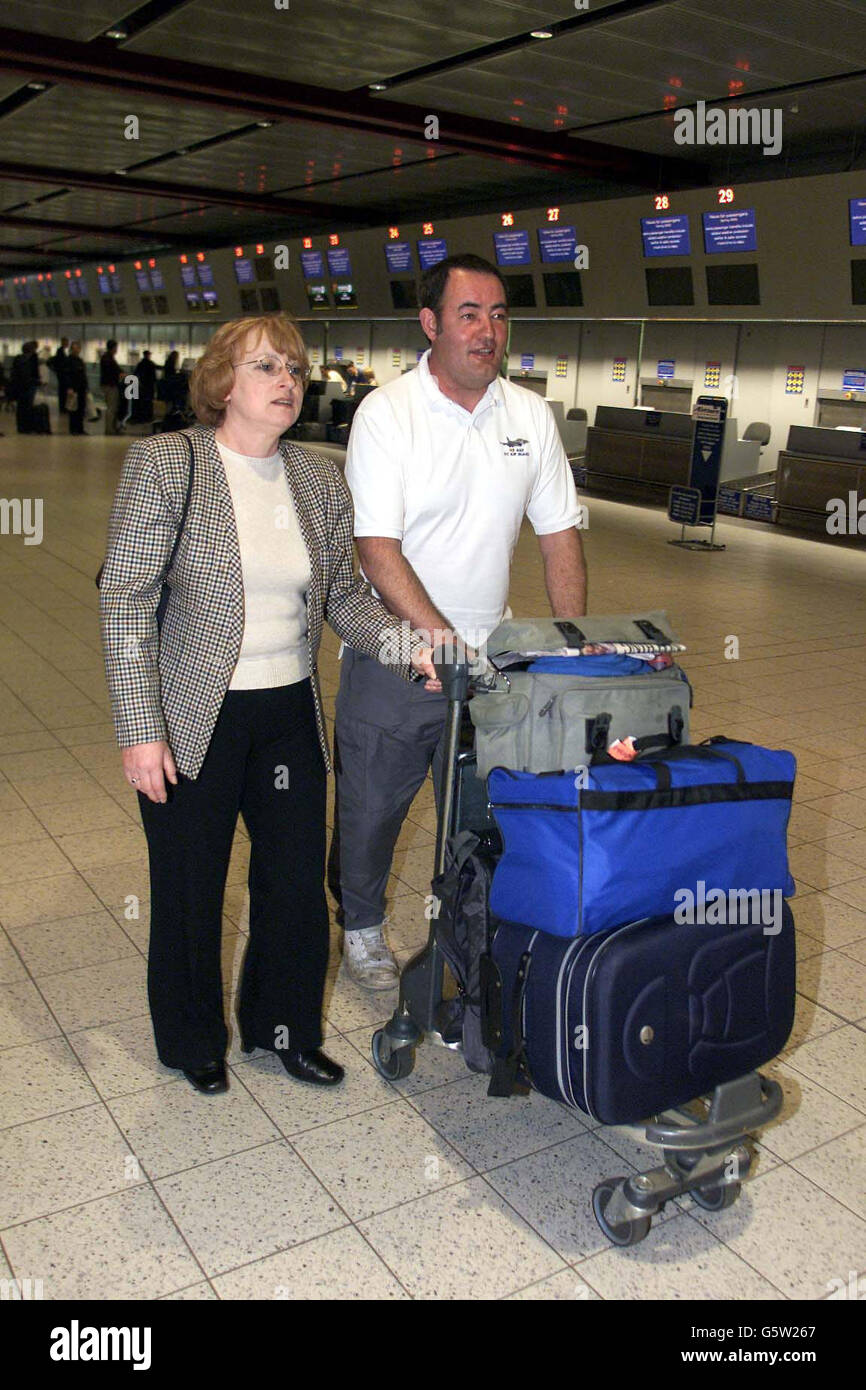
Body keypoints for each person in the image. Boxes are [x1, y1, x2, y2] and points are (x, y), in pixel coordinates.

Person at [99, 313, 434, 1097]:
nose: (286, 382)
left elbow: (345, 599)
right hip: (194, 717)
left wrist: (408, 646)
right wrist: (141, 731)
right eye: (264, 368)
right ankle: (191, 1042)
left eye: (293, 367)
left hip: (286, 713)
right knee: (191, 883)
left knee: (290, 885)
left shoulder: (317, 479)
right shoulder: (168, 464)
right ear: (222, 383)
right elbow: (124, 601)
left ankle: (283, 1030)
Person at [329, 253, 587, 989]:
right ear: (431, 323)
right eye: (469, 313)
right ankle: (363, 930)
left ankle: (467, 924)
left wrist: (569, 649)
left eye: (500, 314)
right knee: (374, 806)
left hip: (493, 660)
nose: (488, 331)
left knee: (477, 813)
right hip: (399, 653)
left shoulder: (529, 415)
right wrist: (439, 642)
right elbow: (375, 549)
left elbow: (560, 535)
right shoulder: (389, 413)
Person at [9, 341, 40, 433]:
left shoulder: (18, 359)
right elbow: (26, 376)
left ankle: (21, 427)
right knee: (26, 408)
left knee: (21, 408)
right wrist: (35, 381)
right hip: (26, 388)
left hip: (19, 387)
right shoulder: (26, 361)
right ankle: (25, 427)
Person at [64, 342, 88, 434]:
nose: (77, 350)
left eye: (78, 348)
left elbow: (83, 375)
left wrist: (86, 387)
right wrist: (69, 387)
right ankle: (73, 429)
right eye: (75, 348)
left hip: (81, 388)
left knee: (81, 409)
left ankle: (80, 428)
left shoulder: (80, 360)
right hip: (73, 388)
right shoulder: (69, 360)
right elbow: (67, 375)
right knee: (73, 409)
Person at [100, 339, 123, 434]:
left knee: (112, 407)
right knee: (111, 408)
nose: (117, 349)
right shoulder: (108, 359)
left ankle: (111, 428)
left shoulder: (108, 357)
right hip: (110, 386)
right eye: (116, 347)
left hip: (109, 385)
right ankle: (109, 429)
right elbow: (114, 371)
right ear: (113, 348)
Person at [129, 349, 157, 424]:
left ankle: (141, 417)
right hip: (149, 386)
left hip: (142, 386)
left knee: (141, 402)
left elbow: (135, 373)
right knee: (148, 402)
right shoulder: (151, 364)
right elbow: (153, 377)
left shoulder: (140, 364)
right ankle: (147, 417)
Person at [48, 337, 69, 417]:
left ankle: (63, 407)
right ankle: (62, 407)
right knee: (62, 391)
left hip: (62, 374)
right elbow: (61, 363)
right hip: (62, 374)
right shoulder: (60, 351)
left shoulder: (62, 351)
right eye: (66, 342)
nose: (67, 344)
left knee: (63, 391)